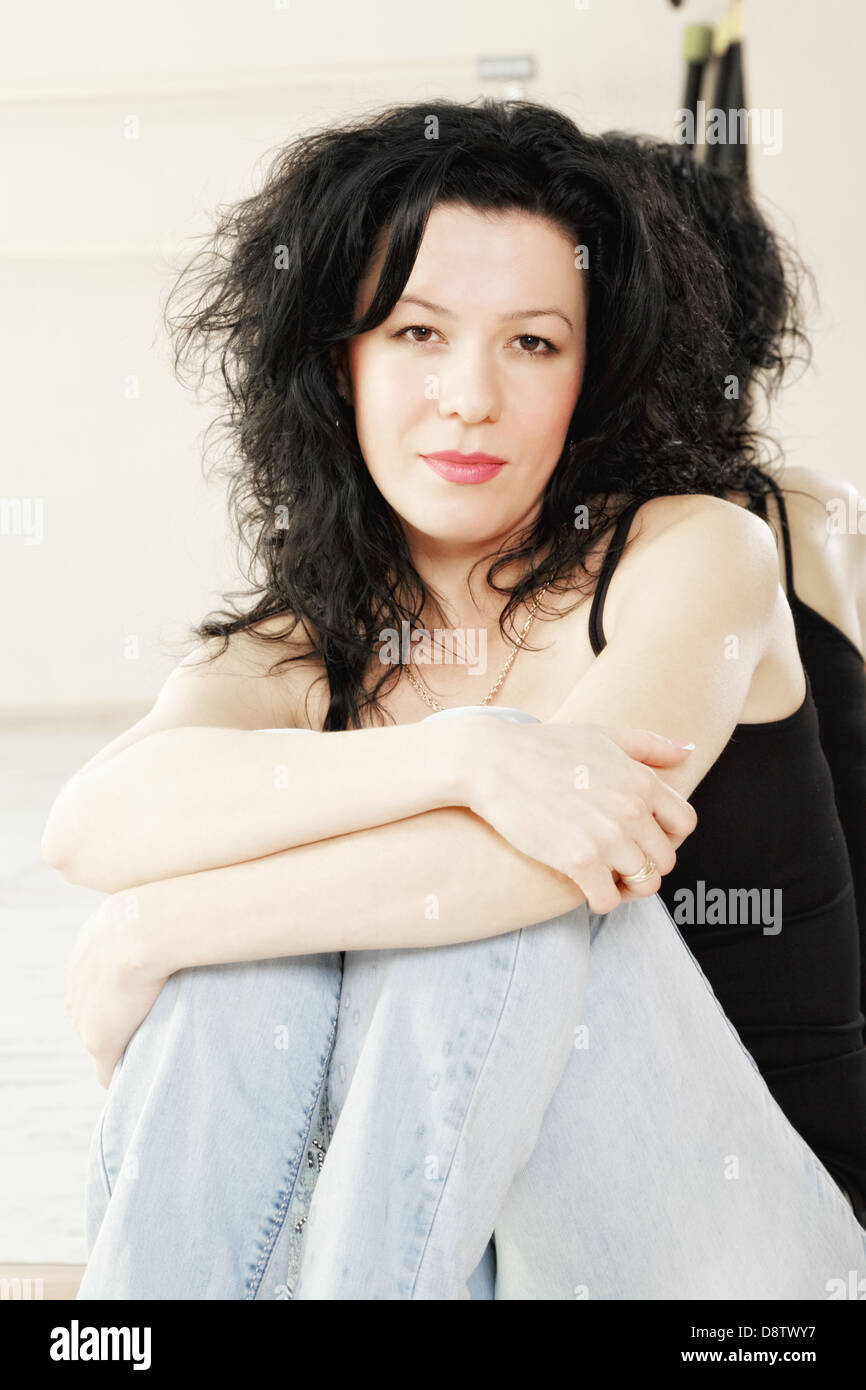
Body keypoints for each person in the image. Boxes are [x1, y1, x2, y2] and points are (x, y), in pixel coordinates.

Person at [45, 97, 866, 1299]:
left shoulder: (700, 551)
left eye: (531, 343)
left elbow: (542, 865)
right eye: (417, 334)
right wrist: (459, 757)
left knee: (486, 899)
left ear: (593, 373)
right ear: (341, 359)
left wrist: (155, 929)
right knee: (255, 969)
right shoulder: (297, 643)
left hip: (753, 1270)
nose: (469, 397)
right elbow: (93, 823)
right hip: (482, 1250)